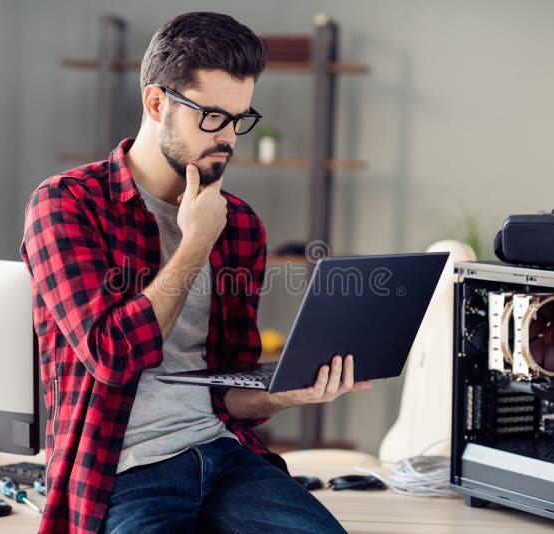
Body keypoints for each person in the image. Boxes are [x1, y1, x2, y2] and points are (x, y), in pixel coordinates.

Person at [21, 12, 372, 534]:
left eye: (238, 118)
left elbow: (224, 390)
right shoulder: (65, 203)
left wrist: (288, 393)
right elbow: (111, 355)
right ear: (156, 102)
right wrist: (194, 243)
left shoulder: (242, 224)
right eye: (211, 116)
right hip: (122, 468)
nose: (228, 137)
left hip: (223, 454)